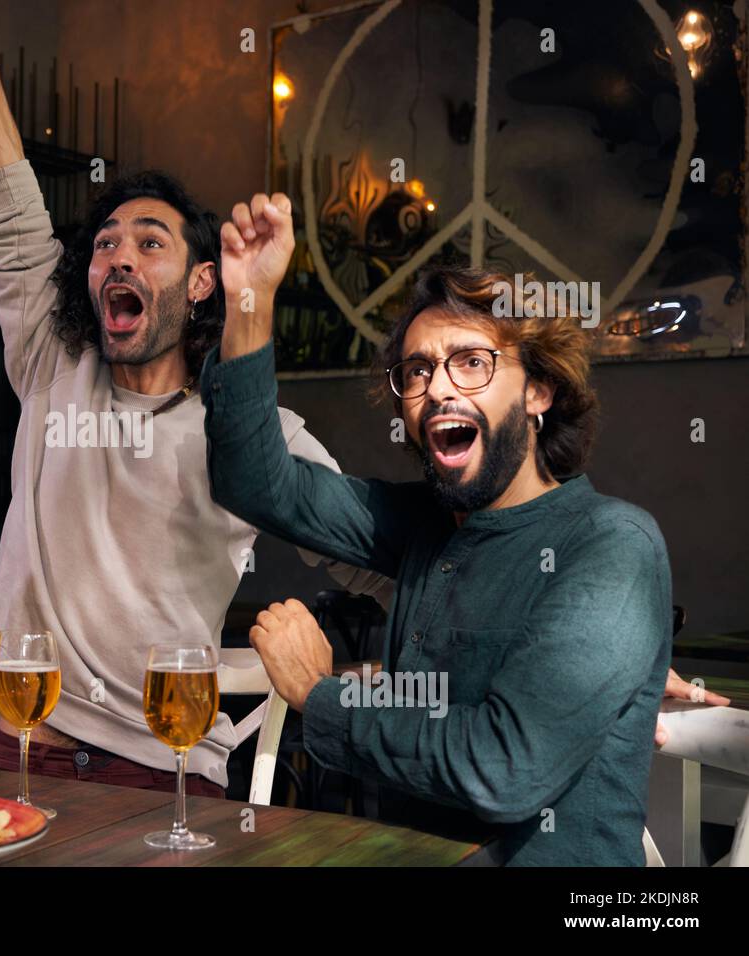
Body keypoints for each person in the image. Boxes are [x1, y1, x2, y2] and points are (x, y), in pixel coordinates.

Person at [0, 0, 389, 798]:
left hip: (169, 761)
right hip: (25, 747)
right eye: (105, 243)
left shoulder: (251, 436)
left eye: (150, 243)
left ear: (203, 279)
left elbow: (375, 561)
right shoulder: (52, 364)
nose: (119, 257)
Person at [201, 212, 673, 864]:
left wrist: (320, 694)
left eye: (472, 363)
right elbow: (256, 484)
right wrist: (249, 300)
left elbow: (504, 769)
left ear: (537, 390)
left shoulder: (613, 545)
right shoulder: (422, 524)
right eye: (417, 371)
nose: (439, 388)